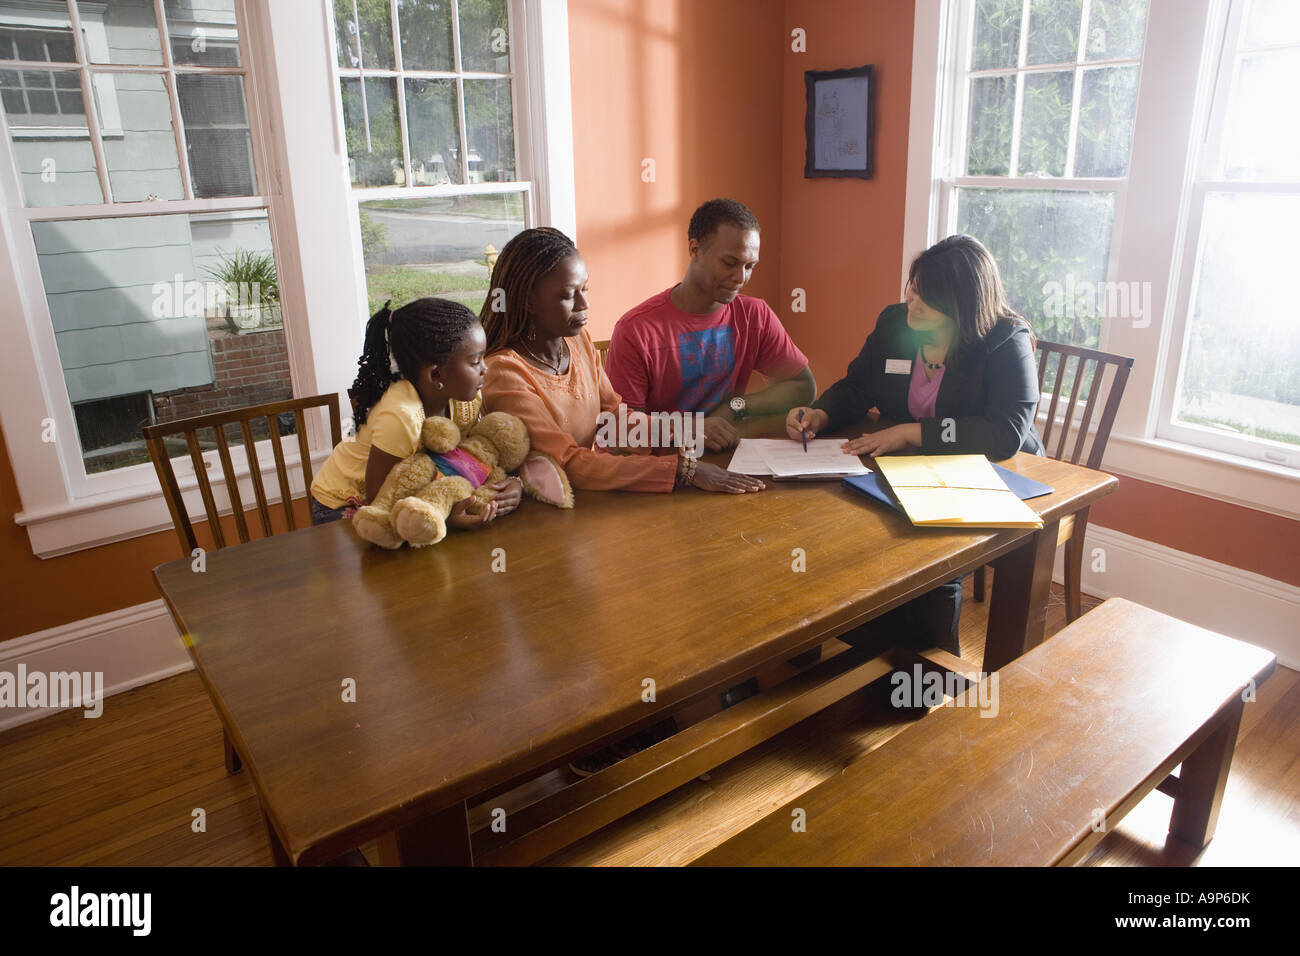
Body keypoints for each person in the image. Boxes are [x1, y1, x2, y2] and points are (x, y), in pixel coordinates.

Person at [787, 234, 1044, 657]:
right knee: (833, 524)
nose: (913, 301)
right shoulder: (894, 323)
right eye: (914, 286)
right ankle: (854, 646)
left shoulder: (1004, 340)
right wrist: (820, 413)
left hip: (990, 473)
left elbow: (1004, 433)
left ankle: (929, 666)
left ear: (963, 302)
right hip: (906, 465)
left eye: (928, 295)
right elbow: (857, 386)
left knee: (933, 553)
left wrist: (913, 432)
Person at [480, 226, 766, 494]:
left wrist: (687, 429)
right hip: (540, 506)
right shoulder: (504, 372)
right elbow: (566, 464)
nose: (584, 304)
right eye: (568, 295)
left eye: (585, 289)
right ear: (529, 301)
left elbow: (614, 422)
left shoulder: (577, 342)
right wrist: (682, 470)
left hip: (581, 499)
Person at [605, 198, 815, 452]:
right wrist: (689, 428)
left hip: (722, 458)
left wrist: (735, 407)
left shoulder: (755, 314)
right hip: (661, 466)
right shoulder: (635, 329)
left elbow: (803, 386)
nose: (740, 277)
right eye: (730, 263)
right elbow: (617, 432)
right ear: (695, 249)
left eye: (750, 266)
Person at [310, 297, 522, 527]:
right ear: (436, 375)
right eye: (475, 362)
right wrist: (445, 517)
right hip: (345, 505)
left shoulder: (466, 401)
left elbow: (471, 458)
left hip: (412, 497)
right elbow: (379, 504)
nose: (485, 368)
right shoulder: (400, 417)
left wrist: (512, 483)